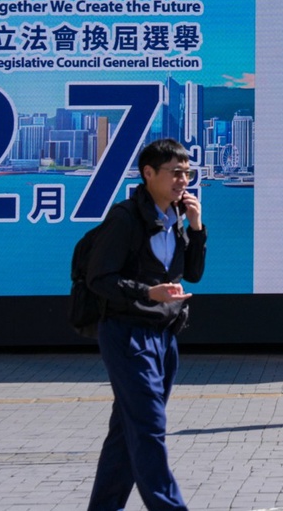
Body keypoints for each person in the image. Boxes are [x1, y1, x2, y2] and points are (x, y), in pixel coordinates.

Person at [86, 139, 206, 510]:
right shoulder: (125, 218)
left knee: (126, 433)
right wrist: (147, 292)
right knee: (149, 428)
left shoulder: (176, 217)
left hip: (164, 336)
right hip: (127, 335)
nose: (182, 180)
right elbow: (98, 278)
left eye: (187, 173)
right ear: (148, 173)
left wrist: (197, 228)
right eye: (175, 172)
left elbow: (194, 274)